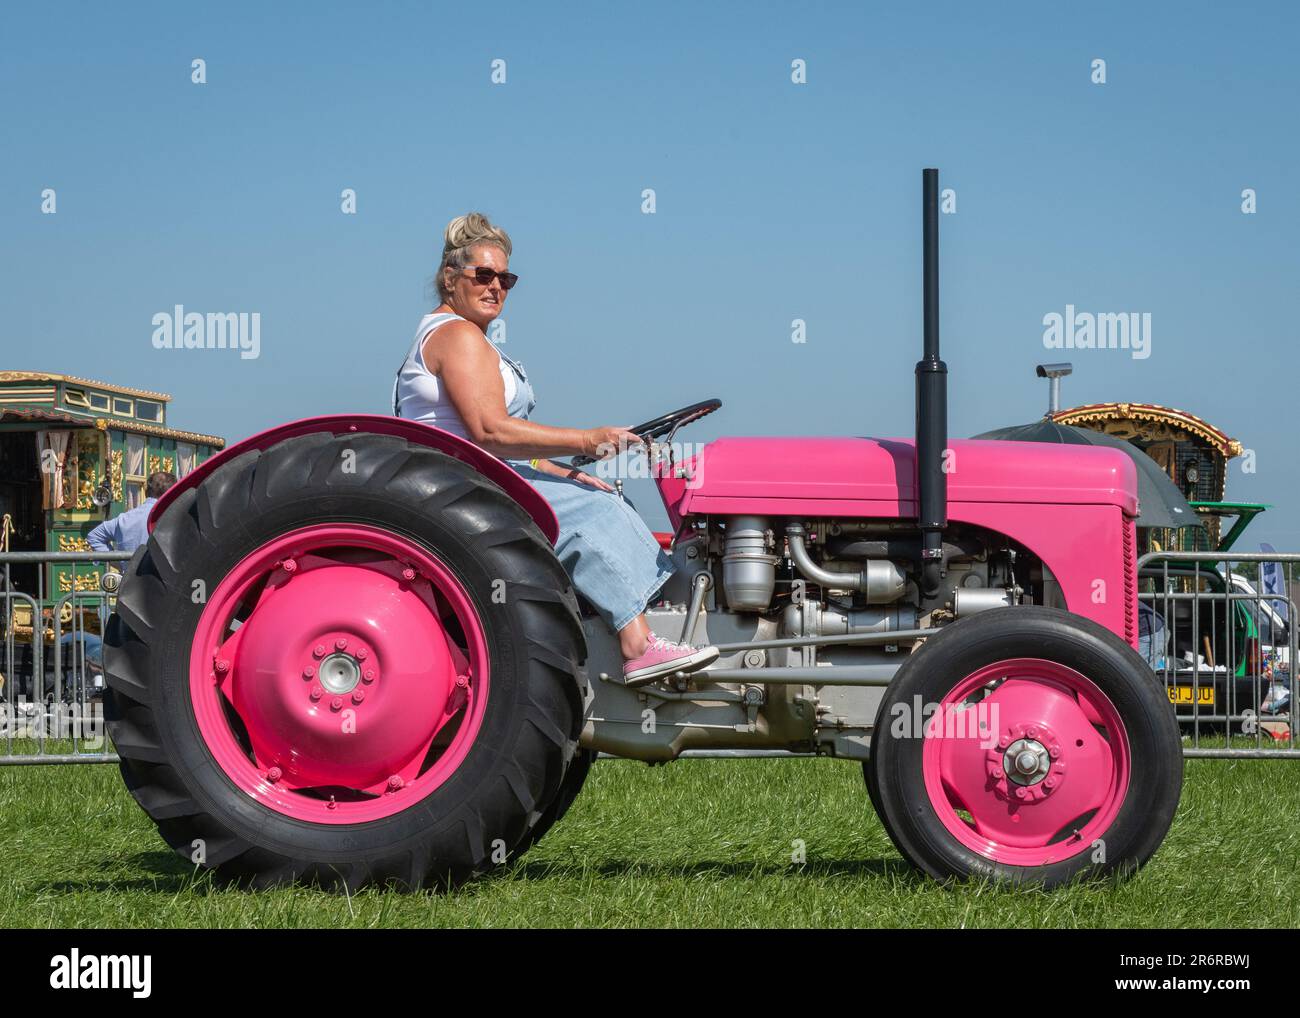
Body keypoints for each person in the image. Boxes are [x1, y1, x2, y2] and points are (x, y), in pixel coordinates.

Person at [393, 212, 719, 686]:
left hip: (483, 474)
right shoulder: (457, 337)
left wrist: (567, 471)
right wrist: (587, 439)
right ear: (450, 278)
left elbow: (511, 441)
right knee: (592, 513)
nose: (495, 287)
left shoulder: (467, 337)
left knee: (601, 493)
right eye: (482, 275)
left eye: (505, 278)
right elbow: (490, 431)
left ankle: (629, 623)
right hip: (465, 482)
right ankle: (637, 643)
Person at [87, 471, 176, 553]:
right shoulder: (175, 518)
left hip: (130, 570)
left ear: (146, 492)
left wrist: (117, 560)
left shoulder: (124, 519)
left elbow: (94, 536)